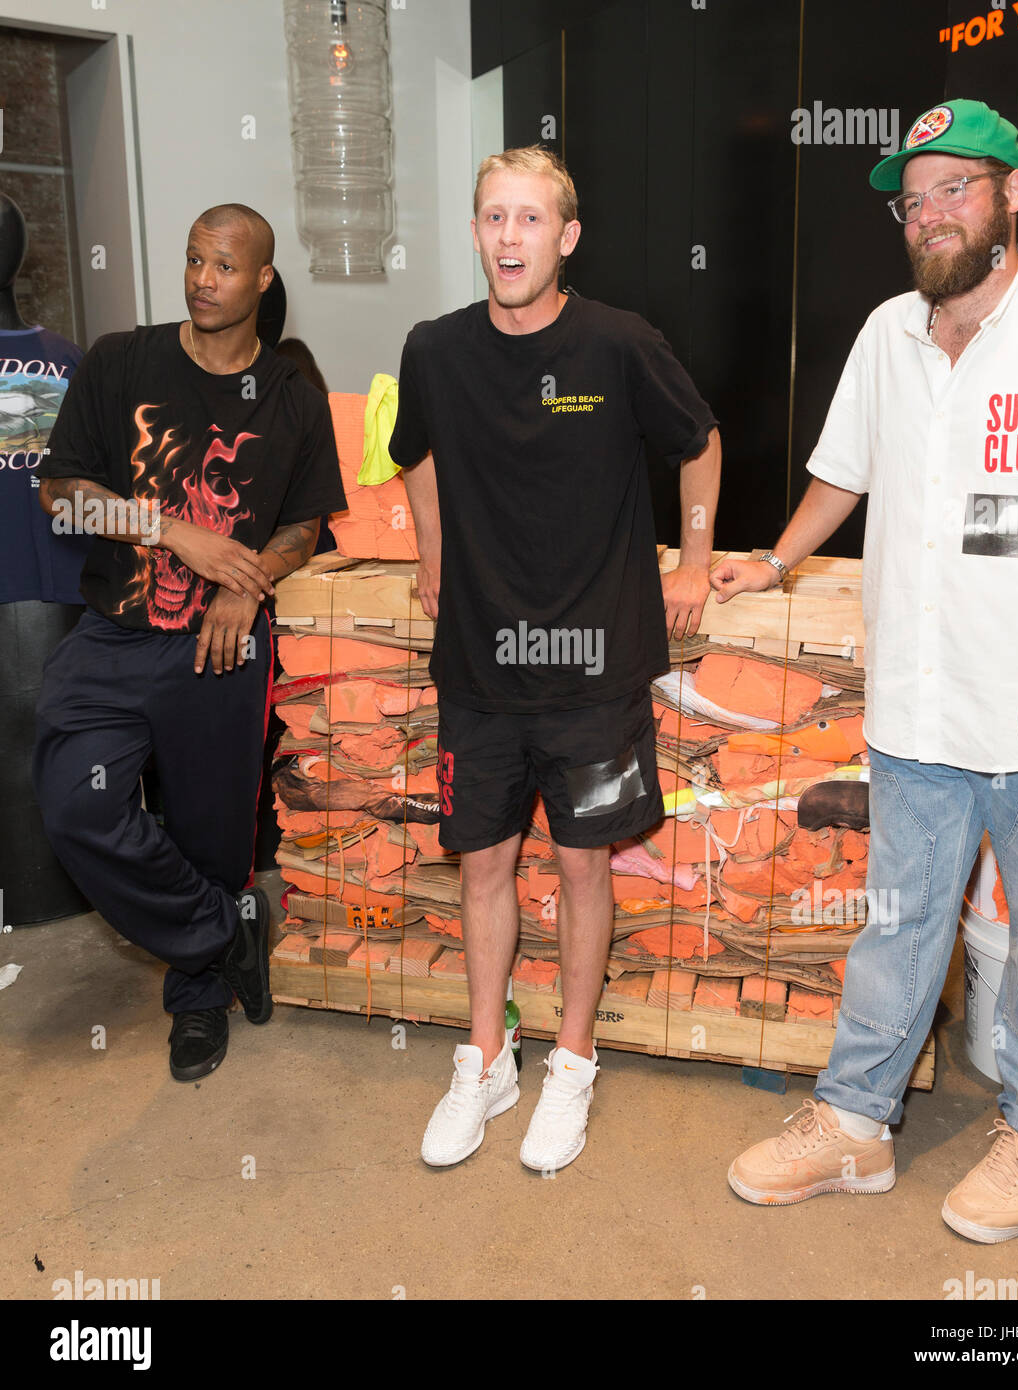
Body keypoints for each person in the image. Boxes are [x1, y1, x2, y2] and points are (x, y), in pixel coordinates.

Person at [715, 99, 1018, 1243]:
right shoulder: (888, 329)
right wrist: (773, 562)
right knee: (897, 922)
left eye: (953, 188)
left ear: (1012, 193)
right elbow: (845, 473)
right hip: (918, 706)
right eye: (911, 197)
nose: (927, 214)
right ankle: (855, 1123)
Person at [388, 146, 721, 1172]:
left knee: (582, 868)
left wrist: (697, 559)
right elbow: (417, 455)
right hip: (479, 669)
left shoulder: (619, 344)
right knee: (482, 864)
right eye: (494, 217)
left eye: (530, 220)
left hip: (593, 669)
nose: (508, 238)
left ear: (566, 237)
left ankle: (571, 1062)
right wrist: (435, 563)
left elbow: (699, 440)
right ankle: (486, 1058)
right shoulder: (436, 349)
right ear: (476, 228)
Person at [33, 203, 347, 1083]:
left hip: (220, 650)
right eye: (194, 260)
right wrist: (173, 532)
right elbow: (62, 494)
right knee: (74, 804)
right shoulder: (121, 362)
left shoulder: (292, 397)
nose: (203, 280)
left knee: (214, 833)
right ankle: (220, 930)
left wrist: (245, 584)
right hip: (116, 634)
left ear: (262, 281)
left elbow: (304, 525)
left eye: (223, 266)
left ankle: (199, 993)